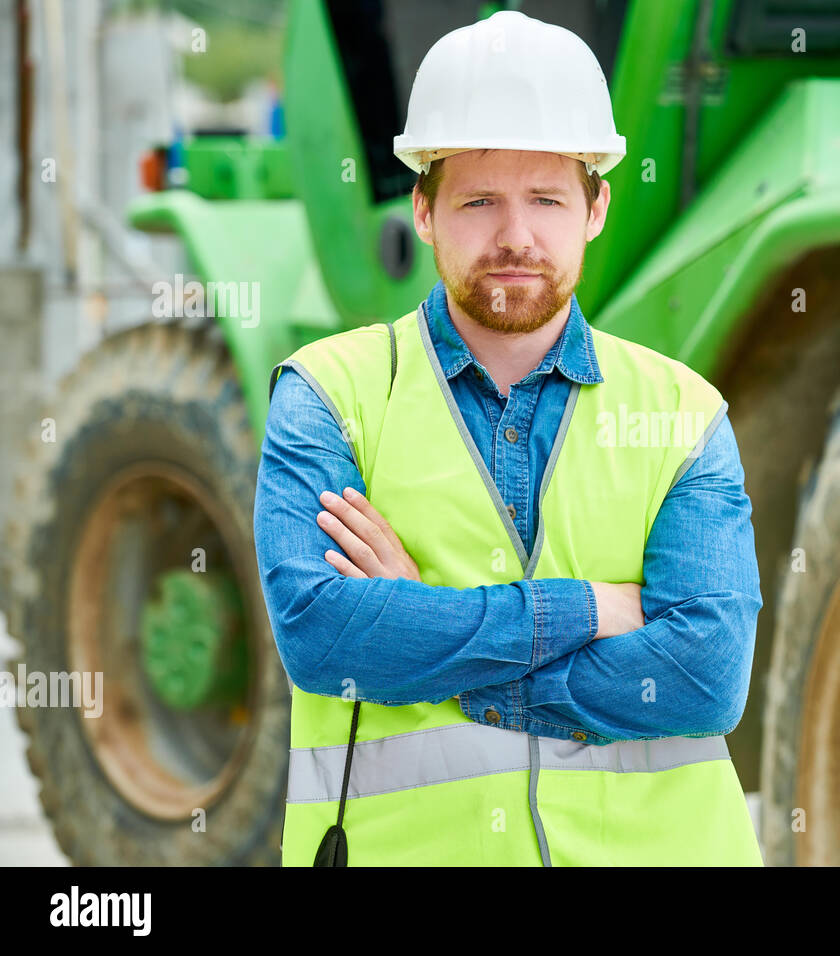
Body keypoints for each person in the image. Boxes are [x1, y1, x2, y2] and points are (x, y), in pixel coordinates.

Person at [253, 9, 763, 866]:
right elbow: (327, 638)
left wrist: (430, 631)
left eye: (547, 199)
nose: (516, 236)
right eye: (480, 200)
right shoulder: (327, 395)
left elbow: (705, 676)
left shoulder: (683, 413)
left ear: (596, 208)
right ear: (423, 209)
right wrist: (591, 608)